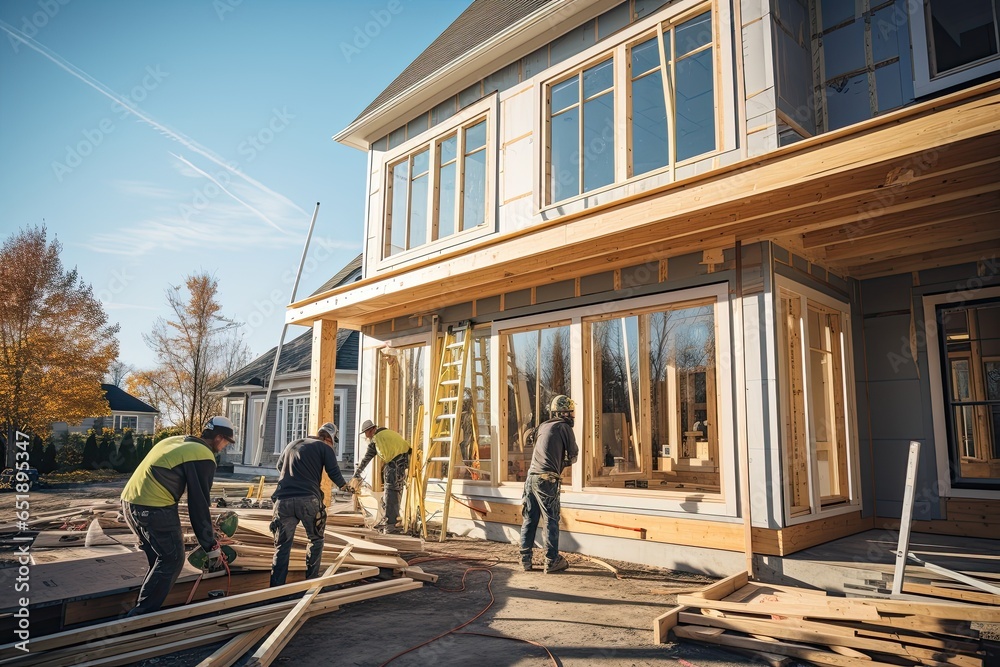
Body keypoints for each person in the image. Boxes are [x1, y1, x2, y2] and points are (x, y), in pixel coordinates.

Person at [120, 416, 235, 616]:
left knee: (159, 559)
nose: (225, 447)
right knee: (172, 559)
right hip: (155, 507)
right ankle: (140, 617)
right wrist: (210, 546)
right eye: (227, 442)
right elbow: (198, 505)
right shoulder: (203, 455)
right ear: (219, 437)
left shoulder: (176, 441)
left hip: (129, 503)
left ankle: (142, 607)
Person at [269, 422, 350, 587]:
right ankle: (310, 585)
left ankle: (275, 590)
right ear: (330, 438)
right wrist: (345, 486)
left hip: (282, 501)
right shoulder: (325, 448)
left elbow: (279, 466)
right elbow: (333, 471)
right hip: (308, 500)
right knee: (315, 540)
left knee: (282, 546)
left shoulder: (294, 443)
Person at [520, 395, 578, 574]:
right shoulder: (564, 427)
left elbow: (531, 440)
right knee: (551, 519)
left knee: (530, 518)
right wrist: (561, 463)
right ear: (564, 413)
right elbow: (573, 455)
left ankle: (525, 559)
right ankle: (552, 560)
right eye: (570, 412)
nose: (572, 416)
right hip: (547, 479)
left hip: (531, 478)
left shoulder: (543, 426)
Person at [348, 420, 411, 534]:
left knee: (390, 493)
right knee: (396, 492)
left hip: (394, 465)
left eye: (365, 433)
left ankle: (390, 525)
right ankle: (394, 521)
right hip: (404, 463)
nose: (366, 436)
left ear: (370, 430)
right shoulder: (388, 433)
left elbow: (367, 458)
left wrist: (357, 474)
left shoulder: (377, 439)